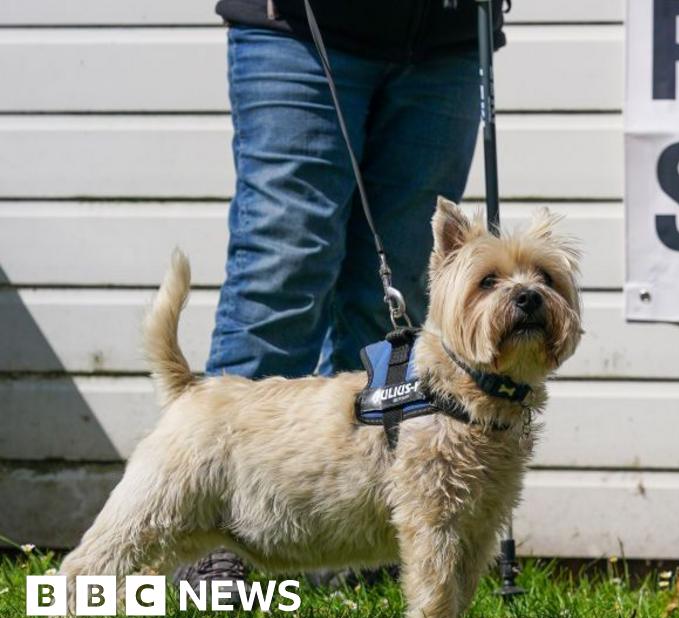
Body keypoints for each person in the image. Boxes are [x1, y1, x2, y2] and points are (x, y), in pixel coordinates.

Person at [174, 0, 504, 585]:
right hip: (300, 26)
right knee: (284, 268)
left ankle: (362, 542)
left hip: (444, 37)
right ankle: (217, 533)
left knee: (396, 287)